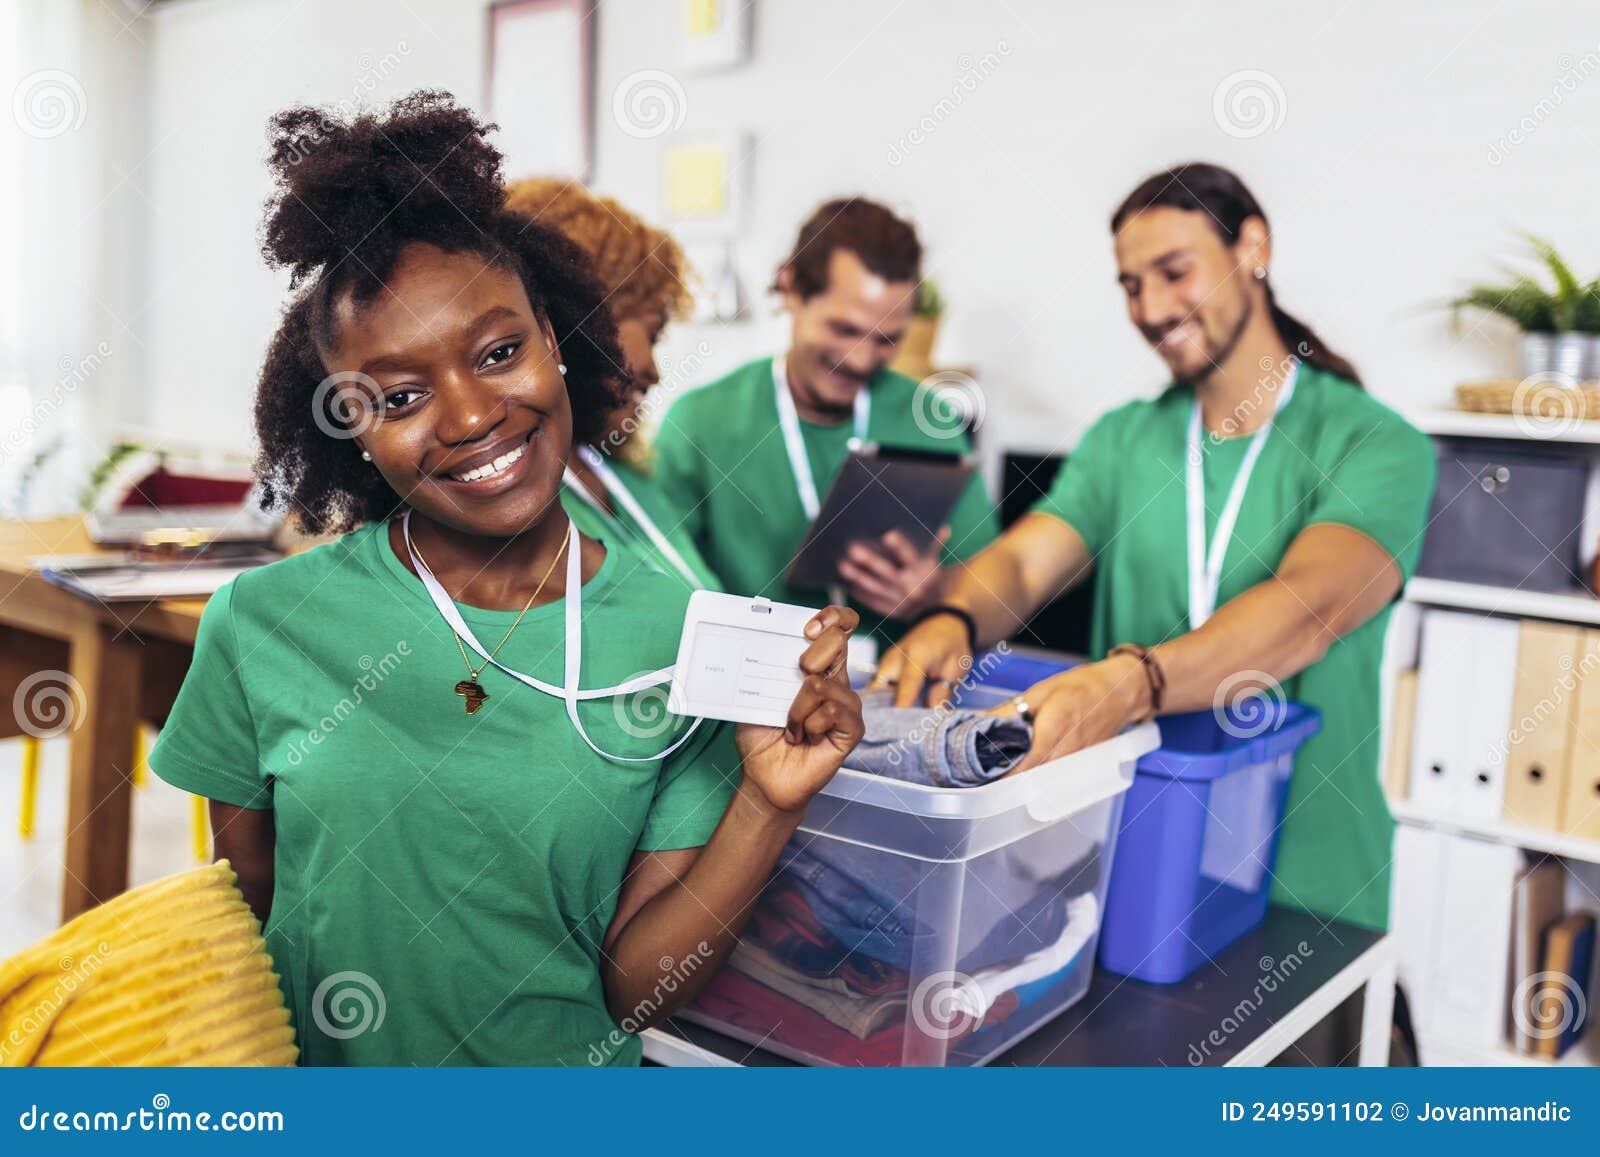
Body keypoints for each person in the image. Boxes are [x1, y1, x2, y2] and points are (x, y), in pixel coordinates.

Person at [149, 92, 864, 1067]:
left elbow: (626, 989)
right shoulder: (262, 622)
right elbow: (261, 921)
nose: (472, 413)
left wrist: (767, 803)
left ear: (556, 340)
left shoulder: (672, 632)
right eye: (399, 395)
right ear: (345, 425)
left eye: (499, 351)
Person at [876, 163, 1436, 933]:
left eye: (1175, 271)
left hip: (1304, 890)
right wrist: (956, 619)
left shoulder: (1377, 442)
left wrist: (1129, 682)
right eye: (1131, 285)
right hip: (1133, 864)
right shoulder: (1126, 439)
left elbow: (1313, 607)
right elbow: (1026, 561)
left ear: (1253, 249)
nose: (1151, 307)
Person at [651, 198, 1000, 648]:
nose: (860, 360)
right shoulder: (699, 422)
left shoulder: (929, 419)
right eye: (844, 330)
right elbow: (656, 582)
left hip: (891, 686)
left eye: (887, 340)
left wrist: (938, 594)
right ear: (791, 290)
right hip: (747, 693)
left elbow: (991, 575)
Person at [502, 177, 722, 591]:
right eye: (652, 336)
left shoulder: (629, 478)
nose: (654, 371)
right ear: (585, 323)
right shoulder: (511, 501)